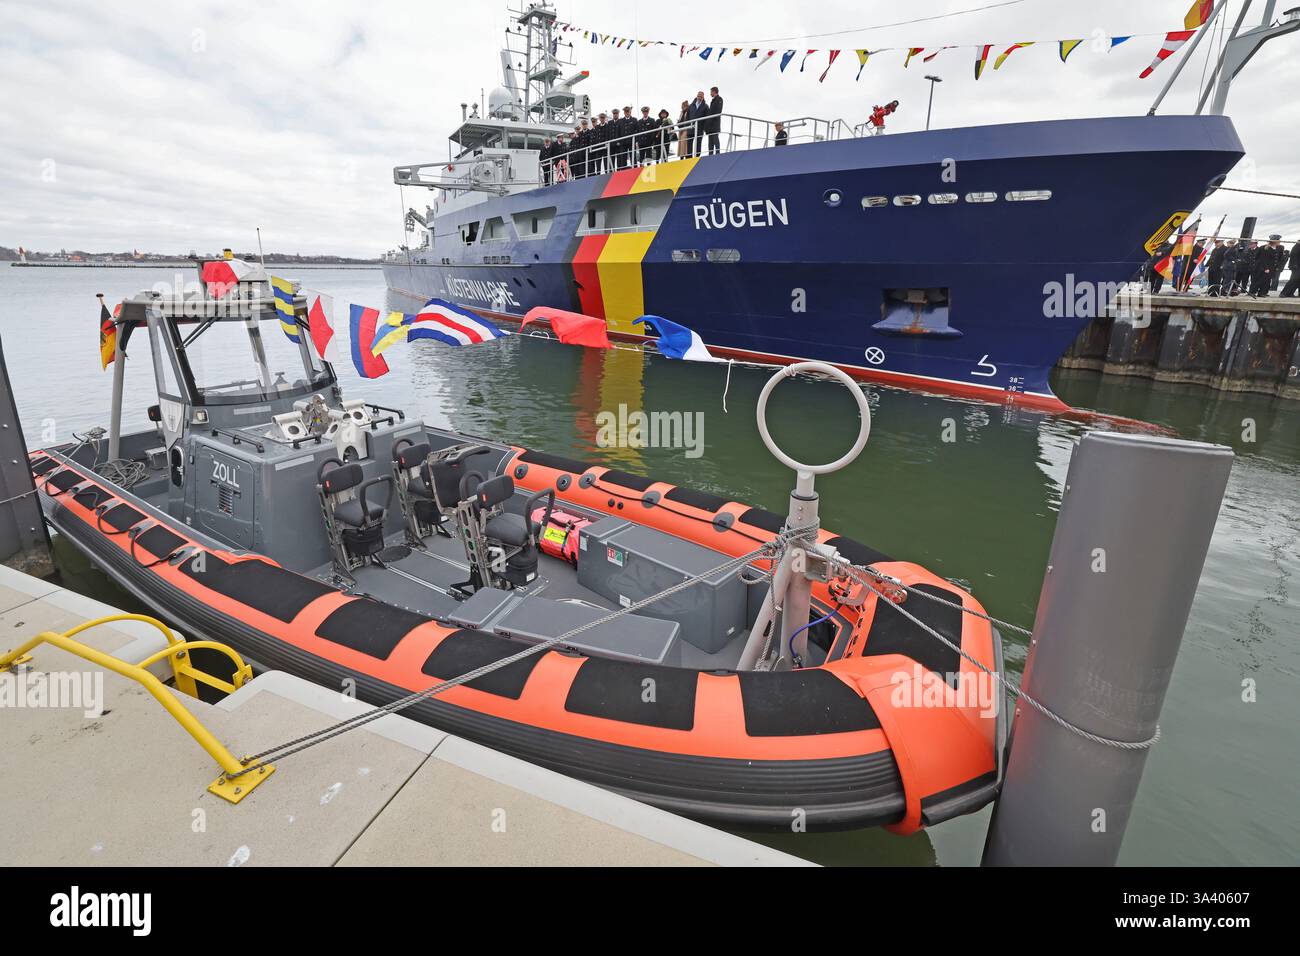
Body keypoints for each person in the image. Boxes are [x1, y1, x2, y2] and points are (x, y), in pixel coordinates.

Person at [687, 91, 709, 156]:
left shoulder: (705, 106)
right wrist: (687, 126)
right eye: (699, 96)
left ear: (703, 97)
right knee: (689, 144)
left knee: (698, 144)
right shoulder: (691, 105)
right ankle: (689, 157)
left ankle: (697, 157)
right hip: (690, 128)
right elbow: (687, 117)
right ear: (697, 96)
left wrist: (705, 128)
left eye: (701, 97)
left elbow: (707, 118)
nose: (699, 98)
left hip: (700, 128)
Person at [706, 86, 724, 154]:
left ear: (714, 91)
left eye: (711, 92)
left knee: (715, 139)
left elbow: (718, 111)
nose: (710, 93)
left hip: (715, 124)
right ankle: (710, 155)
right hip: (710, 125)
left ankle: (717, 153)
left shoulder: (719, 99)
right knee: (710, 141)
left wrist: (711, 120)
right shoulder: (713, 101)